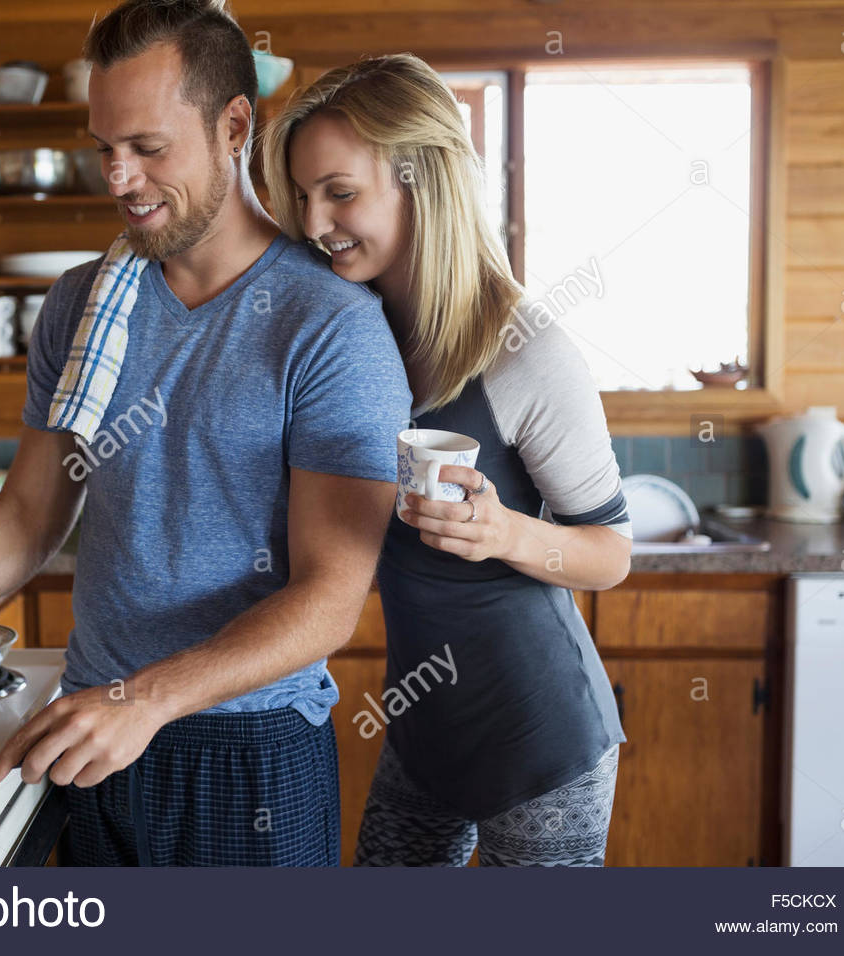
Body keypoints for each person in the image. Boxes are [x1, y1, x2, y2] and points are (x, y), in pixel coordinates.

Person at [0, 0, 411, 866]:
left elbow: (328, 600)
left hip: (248, 753)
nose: (118, 178)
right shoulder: (82, 305)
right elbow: (23, 525)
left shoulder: (330, 324)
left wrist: (148, 700)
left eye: (148, 148)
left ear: (235, 125)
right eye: (104, 148)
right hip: (96, 738)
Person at [263, 54, 633, 867]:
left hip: (541, 745)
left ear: (420, 180)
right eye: (303, 196)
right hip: (424, 729)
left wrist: (503, 533)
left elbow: (611, 553)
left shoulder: (524, 354)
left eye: (341, 191)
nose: (316, 221)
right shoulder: (356, 341)